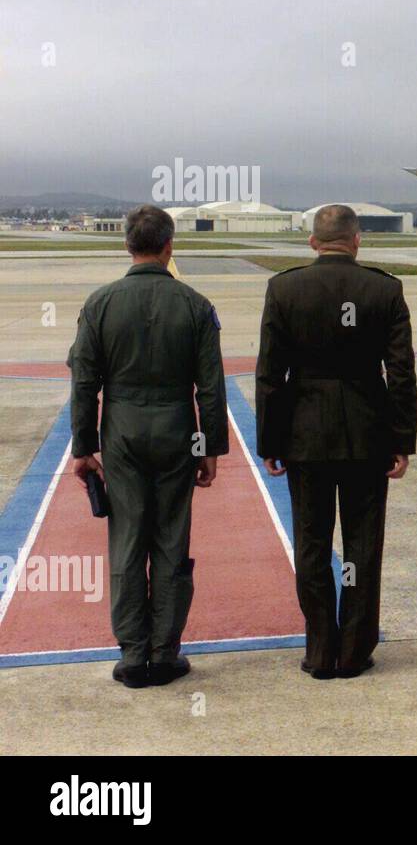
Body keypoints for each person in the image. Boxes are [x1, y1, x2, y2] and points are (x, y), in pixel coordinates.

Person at [67, 204, 227, 688]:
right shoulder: (195, 305)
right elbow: (210, 388)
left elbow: (83, 382)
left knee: (128, 539)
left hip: (123, 430)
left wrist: (83, 446)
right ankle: (165, 650)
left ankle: (133, 654)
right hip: (177, 427)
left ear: (127, 245)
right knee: (172, 540)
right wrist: (209, 447)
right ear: (169, 245)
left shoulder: (100, 304)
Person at [255, 204, 417, 679]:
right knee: (363, 547)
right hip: (367, 435)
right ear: (358, 240)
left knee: (311, 543)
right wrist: (402, 440)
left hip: (305, 436)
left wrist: (270, 442)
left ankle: (320, 649)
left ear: (312, 242)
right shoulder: (384, 289)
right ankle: (355, 650)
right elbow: (402, 373)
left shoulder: (283, 289)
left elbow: (269, 374)